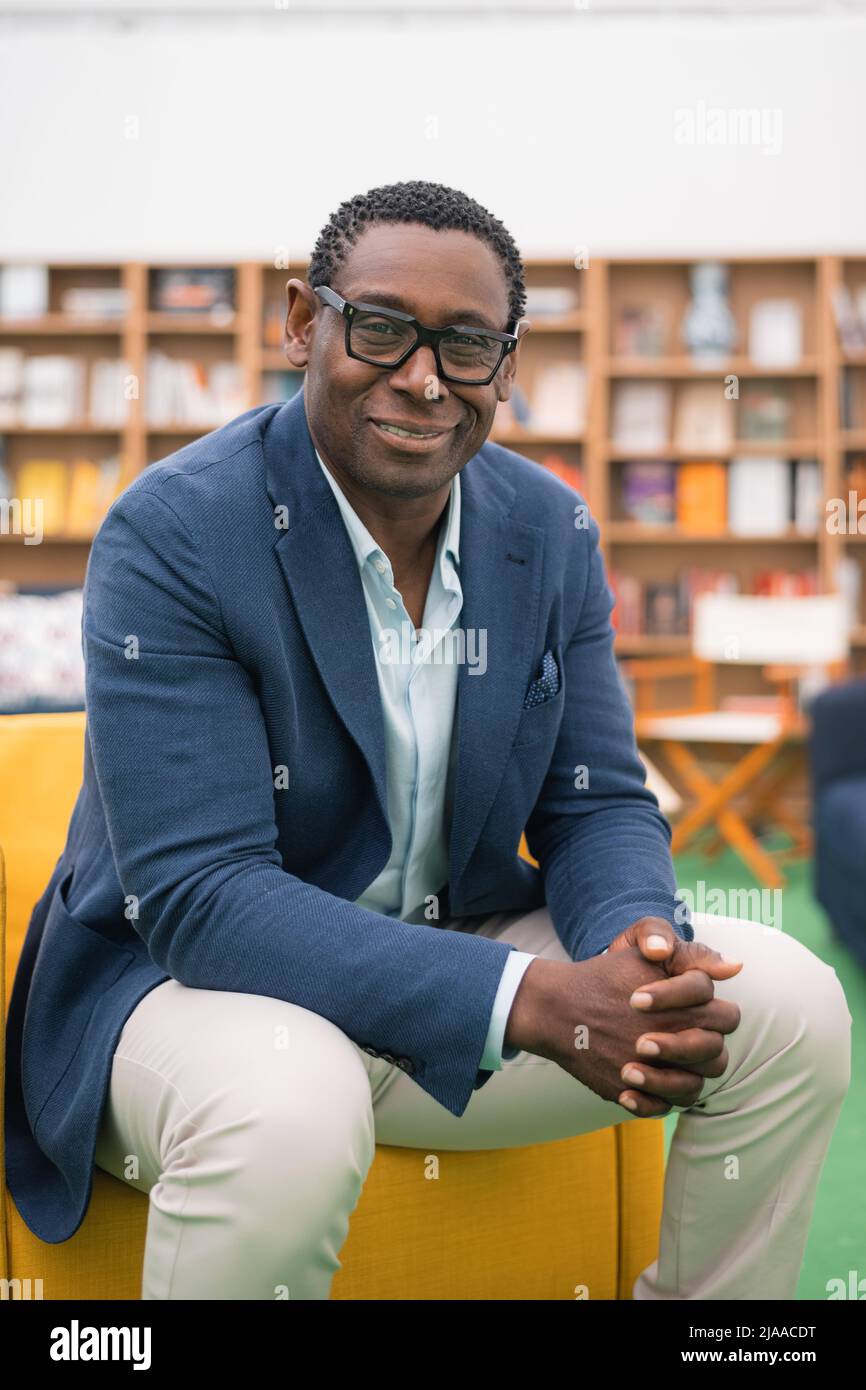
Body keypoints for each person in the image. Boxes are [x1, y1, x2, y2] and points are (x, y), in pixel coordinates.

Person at [4, 181, 851, 1301]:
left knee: (786, 1005)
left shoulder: (546, 528)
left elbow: (593, 799)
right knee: (287, 1103)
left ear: (506, 362)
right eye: (381, 327)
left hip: (448, 953)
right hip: (187, 994)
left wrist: (640, 960)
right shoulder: (175, 533)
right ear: (305, 321)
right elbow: (202, 895)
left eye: (464, 345)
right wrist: (527, 999)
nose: (421, 378)